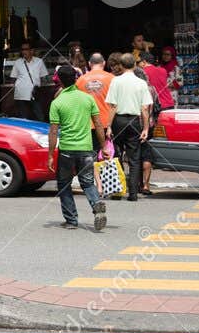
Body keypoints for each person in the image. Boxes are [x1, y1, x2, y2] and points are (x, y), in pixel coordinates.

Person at [48, 64, 106, 232]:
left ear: (59, 81)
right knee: (87, 182)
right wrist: (103, 146)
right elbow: (98, 124)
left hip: (66, 149)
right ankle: (96, 204)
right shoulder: (88, 99)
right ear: (75, 79)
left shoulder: (57, 102)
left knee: (64, 185)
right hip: (86, 148)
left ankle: (71, 220)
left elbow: (53, 131)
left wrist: (50, 154)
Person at [104, 54, 152, 202]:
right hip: (134, 121)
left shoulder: (115, 81)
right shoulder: (141, 83)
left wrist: (109, 126)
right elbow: (145, 108)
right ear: (134, 65)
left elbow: (113, 106)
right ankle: (133, 194)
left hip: (118, 120)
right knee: (134, 158)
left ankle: (117, 191)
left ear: (121, 65)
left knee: (116, 155)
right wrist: (145, 128)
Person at [137, 52, 171, 195]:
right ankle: (146, 184)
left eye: (139, 61)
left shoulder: (142, 73)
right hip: (164, 107)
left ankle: (137, 183)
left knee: (138, 151)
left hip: (145, 113)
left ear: (144, 62)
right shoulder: (163, 70)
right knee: (151, 146)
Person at [74, 53, 114, 152]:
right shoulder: (112, 78)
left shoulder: (80, 80)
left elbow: (77, 103)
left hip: (87, 124)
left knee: (91, 154)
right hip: (107, 123)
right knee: (109, 154)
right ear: (104, 63)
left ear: (89, 64)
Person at [9, 41, 48, 120]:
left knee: (39, 116)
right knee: (23, 118)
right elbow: (13, 78)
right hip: (21, 94)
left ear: (32, 51)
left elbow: (43, 77)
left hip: (35, 93)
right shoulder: (18, 62)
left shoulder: (39, 61)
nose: (24, 51)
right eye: (22, 49)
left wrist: (39, 88)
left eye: (26, 49)